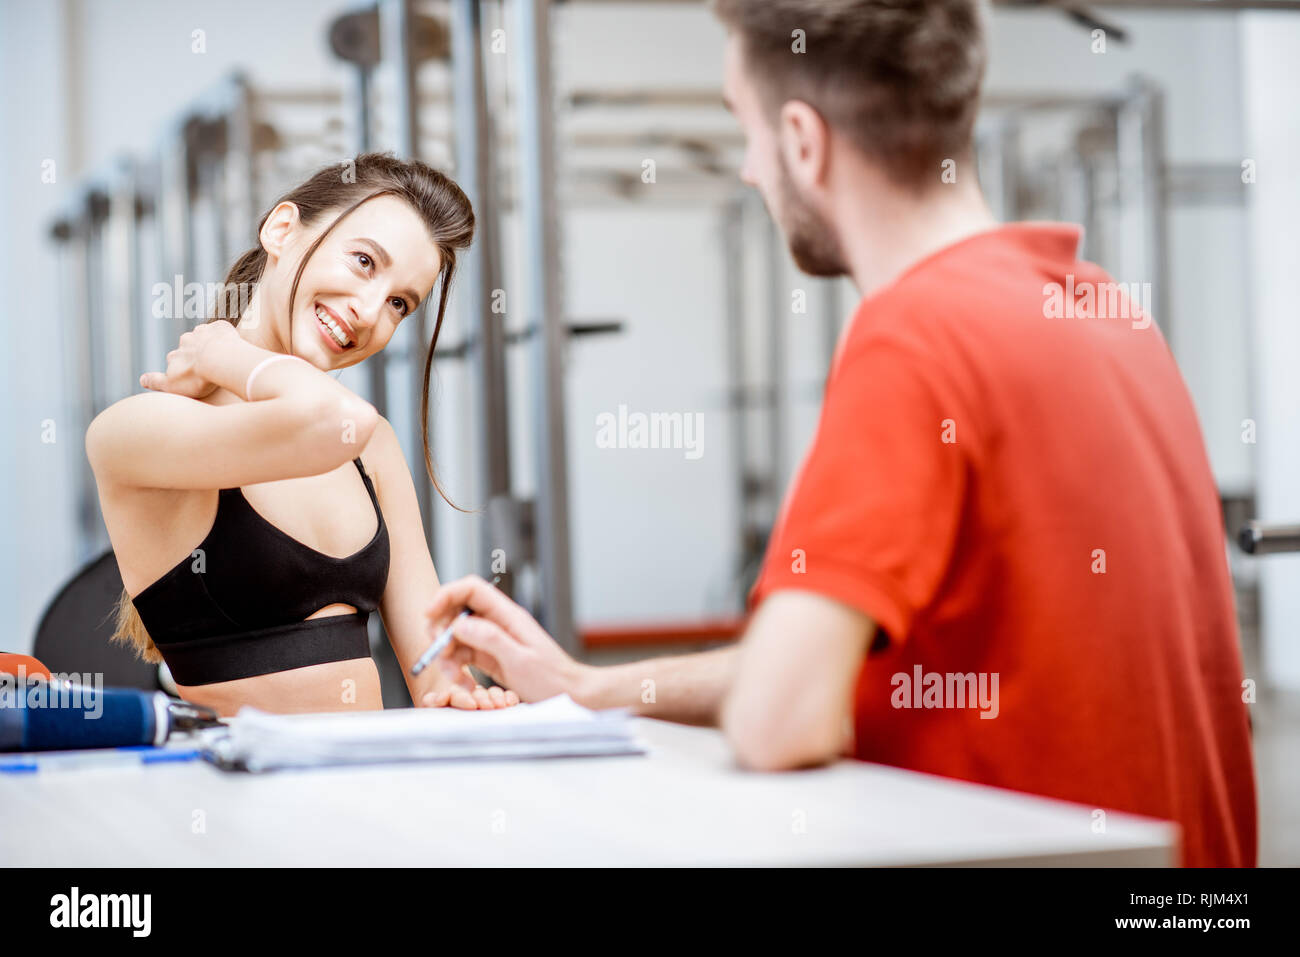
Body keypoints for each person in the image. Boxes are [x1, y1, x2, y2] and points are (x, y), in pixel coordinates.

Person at [421, 0, 1257, 867]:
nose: (748, 170)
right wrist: (584, 687)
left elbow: (779, 718)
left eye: (746, 131)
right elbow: (814, 667)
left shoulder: (916, 335)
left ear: (802, 140)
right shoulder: (1104, 308)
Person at [87, 153, 519, 717]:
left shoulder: (370, 446)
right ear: (282, 229)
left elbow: (436, 676)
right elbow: (330, 420)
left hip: (371, 770)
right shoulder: (139, 429)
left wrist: (469, 702)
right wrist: (226, 354)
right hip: (236, 773)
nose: (369, 313)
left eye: (399, 303)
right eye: (364, 261)